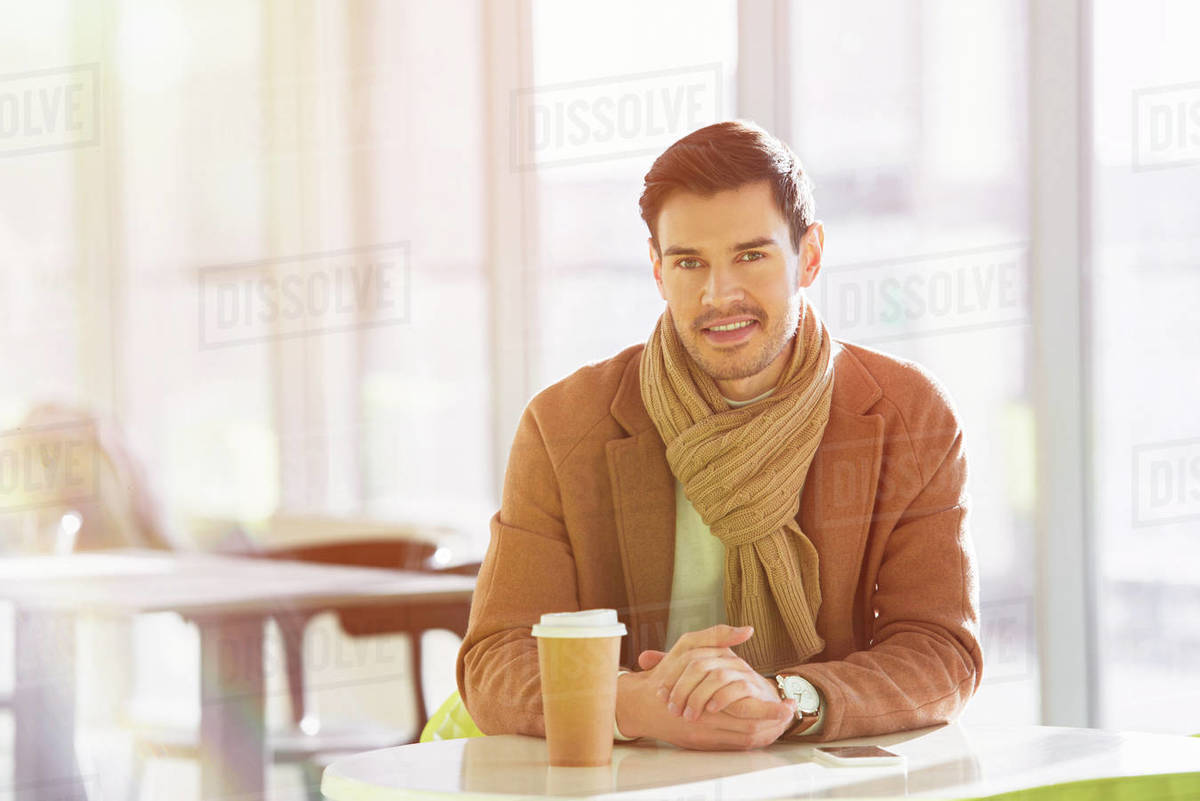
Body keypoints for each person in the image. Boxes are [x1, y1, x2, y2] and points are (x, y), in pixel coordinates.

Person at [456, 120, 982, 750]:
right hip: (623, 776)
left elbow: (941, 650)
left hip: (812, 775)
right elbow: (494, 659)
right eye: (689, 262)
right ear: (656, 269)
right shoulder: (565, 424)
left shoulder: (910, 416)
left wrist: (789, 699)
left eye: (751, 256)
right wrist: (631, 703)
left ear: (809, 255)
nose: (719, 294)